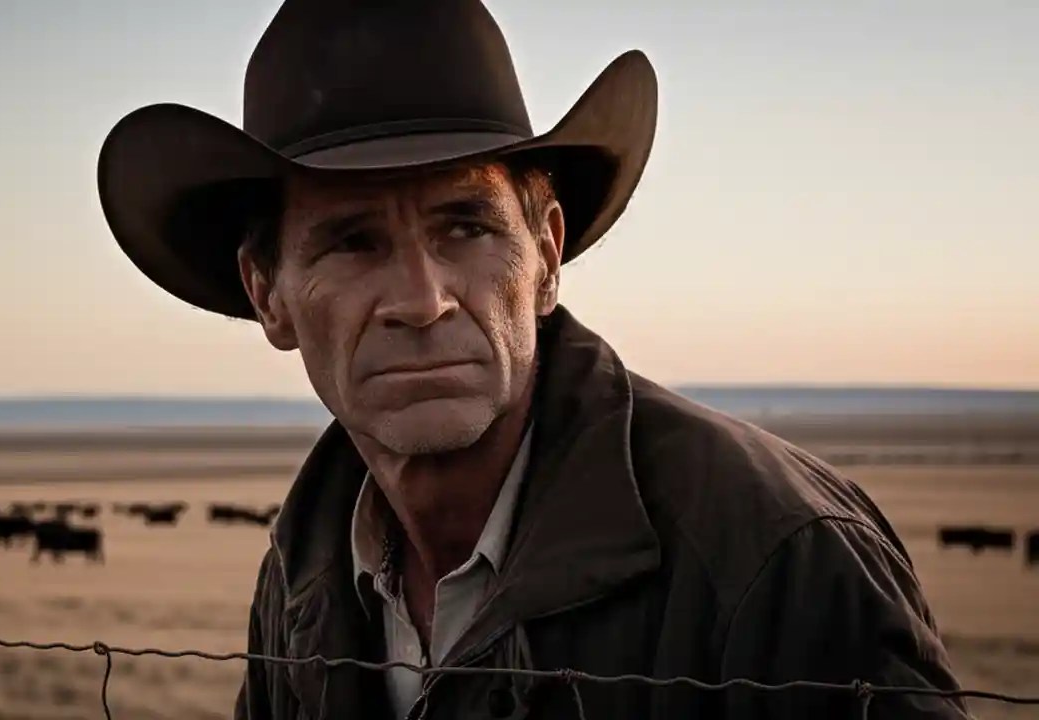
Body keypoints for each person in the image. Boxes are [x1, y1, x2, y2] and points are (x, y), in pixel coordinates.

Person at [96, 1, 966, 718]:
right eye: (352, 243)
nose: (423, 298)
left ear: (546, 256)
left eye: (464, 228)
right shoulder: (307, 567)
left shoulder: (780, 557)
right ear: (268, 294)